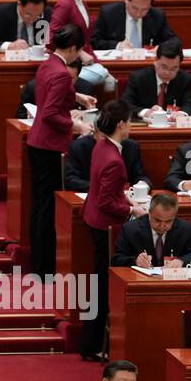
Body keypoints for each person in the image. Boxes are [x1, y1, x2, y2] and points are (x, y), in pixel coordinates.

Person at [27, 23, 92, 276]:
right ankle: (44, 269)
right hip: (50, 146)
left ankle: (39, 265)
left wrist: (78, 97)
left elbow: (50, 91)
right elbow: (51, 113)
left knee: (39, 205)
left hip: (37, 143)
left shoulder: (49, 63)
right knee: (47, 208)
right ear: (73, 48)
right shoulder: (63, 73)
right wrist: (76, 126)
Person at [80, 100, 141, 359]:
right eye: (129, 122)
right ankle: (92, 345)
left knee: (98, 283)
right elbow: (107, 201)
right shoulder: (114, 158)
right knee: (103, 287)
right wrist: (131, 211)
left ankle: (90, 343)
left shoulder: (101, 146)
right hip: (105, 227)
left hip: (93, 218)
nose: (131, 127)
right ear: (121, 125)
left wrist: (126, 199)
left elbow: (108, 192)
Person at [47, 0, 106, 93]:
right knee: (103, 76)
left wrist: (95, 61)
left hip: (82, 62)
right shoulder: (65, 4)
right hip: (69, 64)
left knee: (107, 78)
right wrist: (79, 53)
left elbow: (85, 41)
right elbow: (49, 39)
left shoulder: (80, 1)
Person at [111, 191, 191, 268]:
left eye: (168, 221)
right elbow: (116, 260)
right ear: (149, 213)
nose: (162, 226)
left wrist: (181, 261)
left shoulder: (185, 229)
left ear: (174, 216)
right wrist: (136, 261)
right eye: (157, 220)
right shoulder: (130, 229)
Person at [92, 0, 176, 51]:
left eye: (144, 9)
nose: (139, 13)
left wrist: (162, 47)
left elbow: (174, 41)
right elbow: (94, 42)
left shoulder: (157, 15)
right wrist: (117, 45)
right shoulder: (108, 13)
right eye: (135, 8)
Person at [122, 39, 191, 117]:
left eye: (174, 68)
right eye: (164, 67)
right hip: (146, 125)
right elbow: (125, 105)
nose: (167, 72)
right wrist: (145, 112)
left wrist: (182, 113)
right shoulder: (138, 78)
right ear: (155, 60)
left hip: (172, 126)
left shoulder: (185, 79)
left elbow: (189, 104)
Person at [64, 131, 148, 193]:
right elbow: (71, 180)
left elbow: (141, 176)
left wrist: (142, 186)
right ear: (95, 134)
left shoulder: (131, 147)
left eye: (113, 136)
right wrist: (102, 187)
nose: (110, 142)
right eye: (104, 137)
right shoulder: (79, 147)